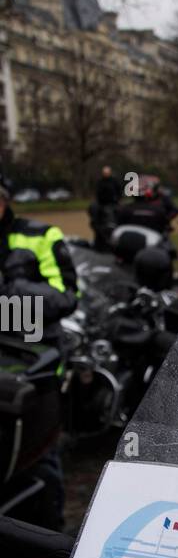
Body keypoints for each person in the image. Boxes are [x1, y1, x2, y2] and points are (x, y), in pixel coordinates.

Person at [0, 179, 78, 527]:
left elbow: (65, 296)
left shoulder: (41, 236)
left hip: (36, 365)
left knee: (41, 455)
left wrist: (13, 291)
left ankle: (50, 536)